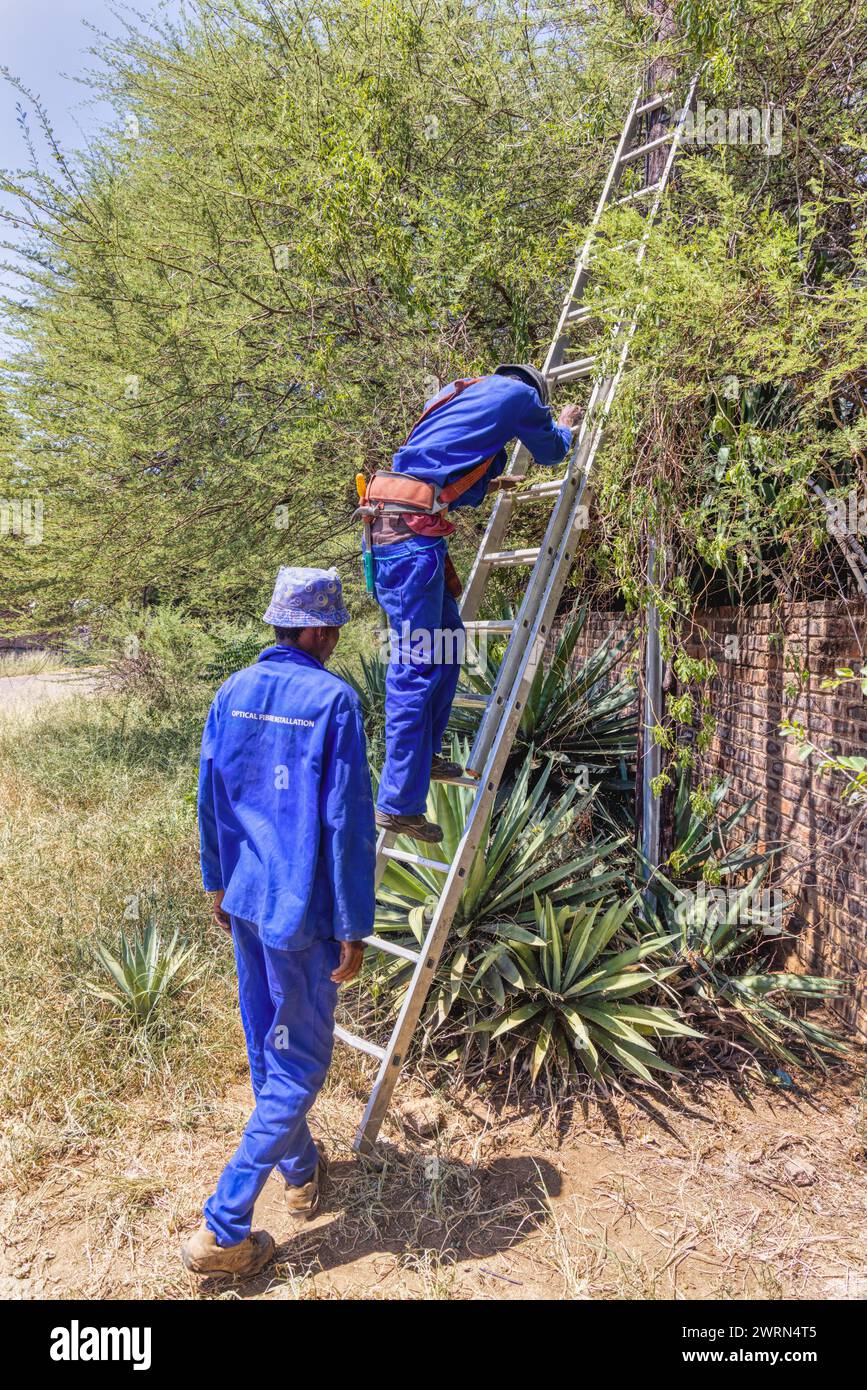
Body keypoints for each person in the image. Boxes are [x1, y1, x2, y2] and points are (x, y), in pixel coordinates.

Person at [182, 566, 375, 1279]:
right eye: (334, 632)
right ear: (320, 630)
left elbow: (209, 797)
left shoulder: (232, 691)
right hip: (301, 917)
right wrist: (354, 924)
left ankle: (299, 1173)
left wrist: (216, 882)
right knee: (296, 1062)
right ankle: (224, 1226)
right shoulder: (333, 700)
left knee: (269, 1044)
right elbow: (346, 822)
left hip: (247, 902)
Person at [370, 363, 581, 843]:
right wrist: (564, 425)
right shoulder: (523, 398)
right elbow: (550, 451)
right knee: (415, 663)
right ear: (535, 392)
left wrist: (489, 485)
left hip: (398, 530)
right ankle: (398, 804)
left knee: (447, 646)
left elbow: (436, 468)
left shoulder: (453, 393)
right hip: (409, 543)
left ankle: (424, 761)